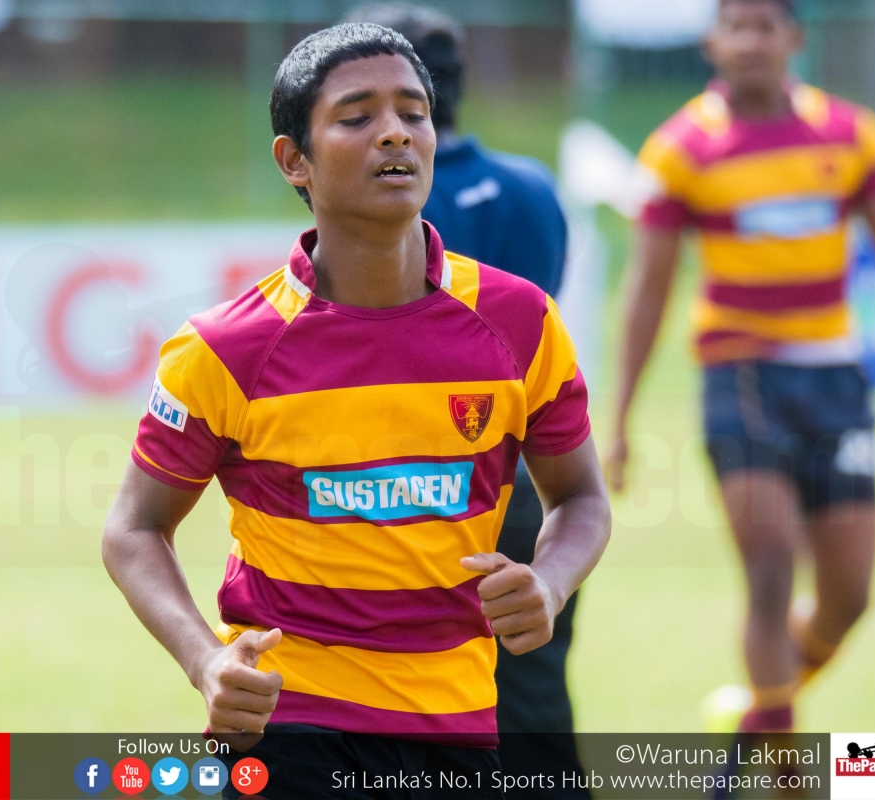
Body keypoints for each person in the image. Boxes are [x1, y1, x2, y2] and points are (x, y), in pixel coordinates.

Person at [102, 22, 611, 800]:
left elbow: (580, 498)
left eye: (413, 112)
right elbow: (134, 529)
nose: (394, 134)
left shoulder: (521, 322)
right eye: (357, 116)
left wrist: (551, 580)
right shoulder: (225, 348)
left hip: (459, 730)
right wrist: (206, 659)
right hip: (290, 731)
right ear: (293, 160)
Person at [607, 0, 875, 733]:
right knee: (770, 569)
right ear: (712, 42)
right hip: (740, 375)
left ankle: (758, 718)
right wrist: (618, 417)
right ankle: (786, 762)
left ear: (794, 37)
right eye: (736, 24)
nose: (751, 40)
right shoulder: (679, 149)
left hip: (836, 378)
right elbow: (647, 289)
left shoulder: (850, 133)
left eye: (766, 24)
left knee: (850, 595)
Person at [343, 4, 585, 792]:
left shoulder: (384, 190)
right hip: (523, 466)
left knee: (402, 697)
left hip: (413, 474)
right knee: (532, 684)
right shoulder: (531, 188)